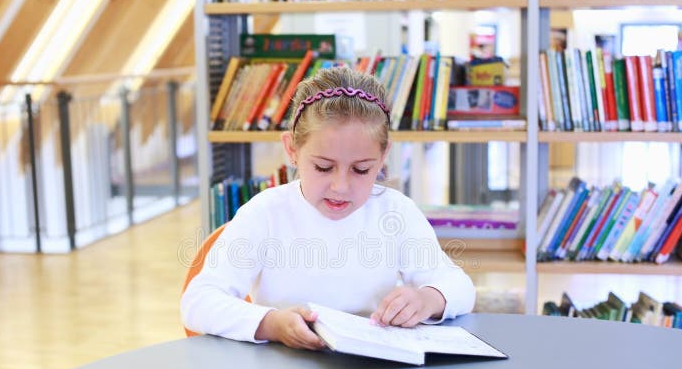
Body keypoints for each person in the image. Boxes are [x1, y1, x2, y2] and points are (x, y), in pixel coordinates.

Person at [181, 67, 476, 350]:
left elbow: (460, 287)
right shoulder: (266, 214)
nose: (341, 186)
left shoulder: (395, 212)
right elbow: (198, 302)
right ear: (292, 150)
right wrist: (272, 324)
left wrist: (428, 299)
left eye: (361, 170)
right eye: (323, 167)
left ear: (383, 156)